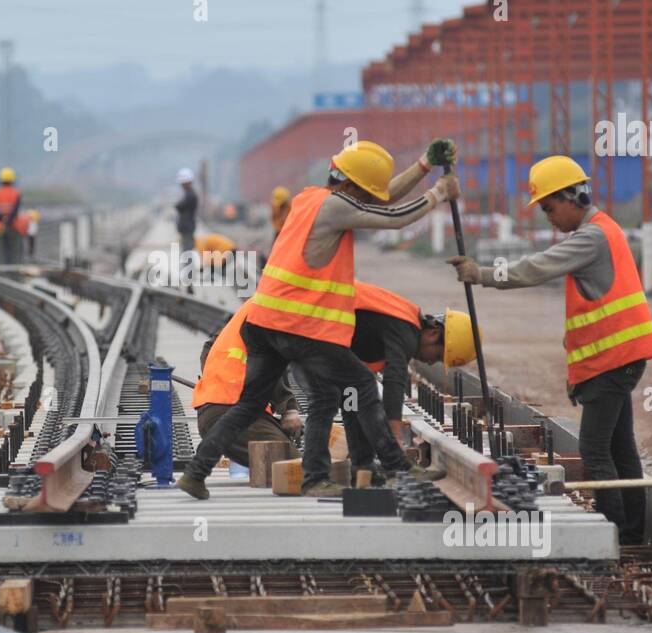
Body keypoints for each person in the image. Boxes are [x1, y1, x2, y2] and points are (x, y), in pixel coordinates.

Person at [177, 139, 460, 500]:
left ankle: (195, 473)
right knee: (359, 382)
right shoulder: (335, 207)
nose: (368, 199)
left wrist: (423, 165)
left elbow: (383, 199)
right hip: (298, 324)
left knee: (253, 403)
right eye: (364, 192)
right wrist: (438, 193)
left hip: (263, 321)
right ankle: (393, 470)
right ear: (351, 186)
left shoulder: (310, 199)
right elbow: (393, 217)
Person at [446, 154, 652, 545]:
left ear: (573, 196)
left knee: (595, 451)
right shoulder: (604, 229)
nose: (549, 218)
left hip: (609, 362)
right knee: (621, 448)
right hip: (620, 359)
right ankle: (630, 532)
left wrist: (481, 275)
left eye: (549, 208)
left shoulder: (591, 237)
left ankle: (612, 535)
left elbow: (536, 267)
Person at [324, 280, 475, 477]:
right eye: (438, 356)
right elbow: (395, 377)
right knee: (351, 392)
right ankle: (393, 465)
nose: (431, 363)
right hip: (315, 323)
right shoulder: (406, 330)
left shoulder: (404, 323)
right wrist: (394, 431)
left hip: (324, 329)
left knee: (352, 398)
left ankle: (362, 467)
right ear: (433, 333)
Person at [192, 301, 301, 469]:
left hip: (213, 414)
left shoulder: (252, 309)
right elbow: (269, 363)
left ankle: (195, 476)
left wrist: (221, 381)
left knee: (286, 461)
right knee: (293, 465)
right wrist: (289, 408)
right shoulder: (270, 310)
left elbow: (209, 347)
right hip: (234, 413)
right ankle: (194, 476)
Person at [0, 167, 22, 265]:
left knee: (0, 252)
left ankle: (1, 274)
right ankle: (15, 273)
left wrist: (1, 219)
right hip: (13, 227)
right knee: (15, 251)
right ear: (12, 179)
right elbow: (15, 211)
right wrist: (8, 220)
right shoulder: (16, 193)